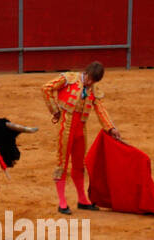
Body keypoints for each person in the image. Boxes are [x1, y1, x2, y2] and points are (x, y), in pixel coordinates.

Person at [41, 61, 122, 215]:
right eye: (90, 78)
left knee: (79, 164)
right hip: (66, 125)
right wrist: (55, 110)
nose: (90, 83)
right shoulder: (69, 78)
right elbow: (46, 88)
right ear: (86, 73)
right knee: (62, 162)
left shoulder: (93, 89)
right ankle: (62, 202)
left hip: (81, 129)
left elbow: (101, 109)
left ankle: (82, 199)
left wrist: (111, 128)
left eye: (94, 81)